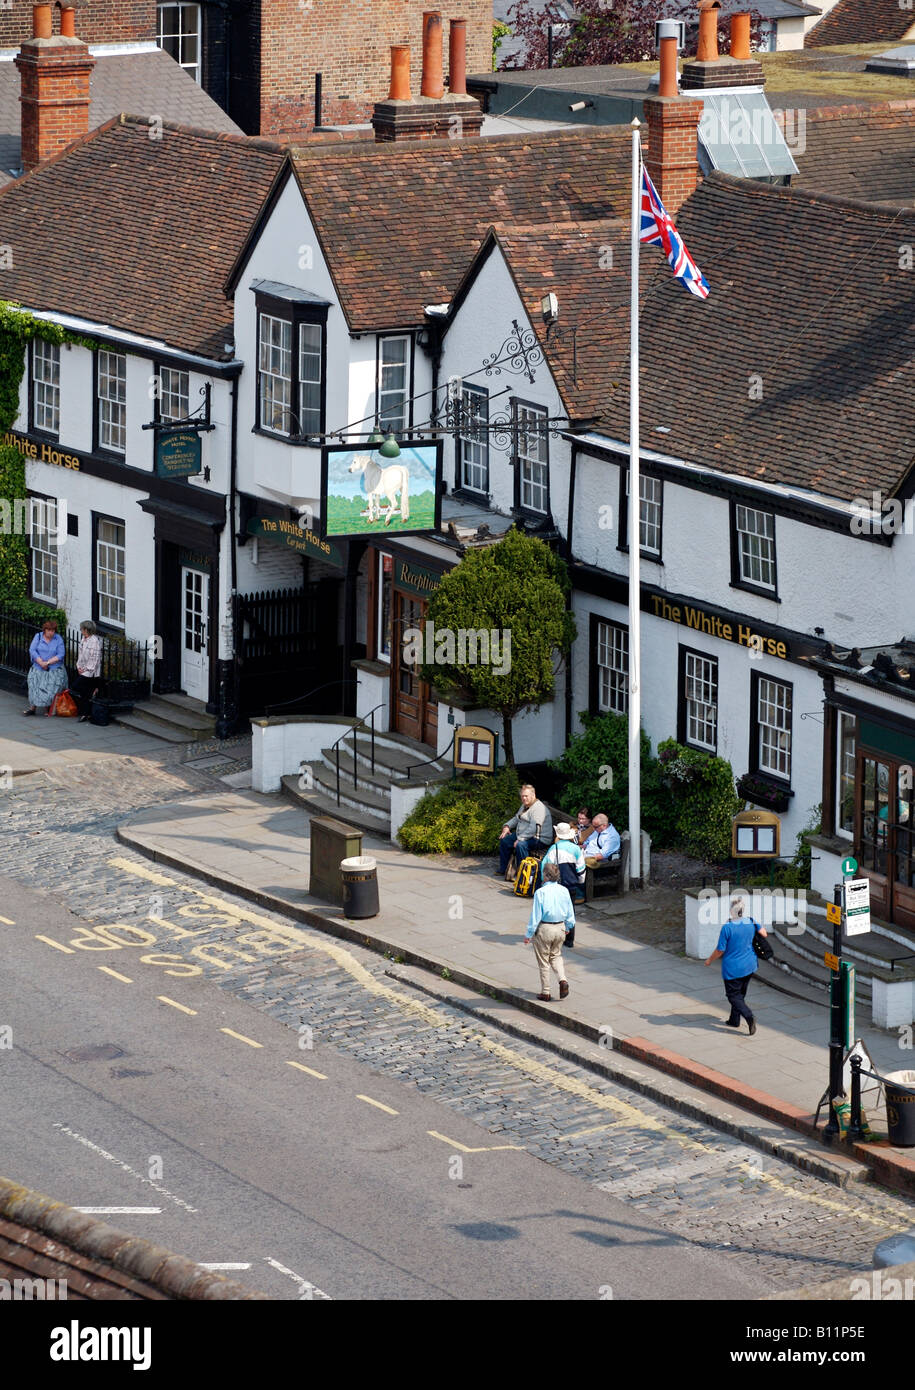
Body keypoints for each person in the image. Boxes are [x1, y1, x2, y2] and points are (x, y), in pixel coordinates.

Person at [704, 894, 767, 1035]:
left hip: (733, 968)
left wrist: (709, 960)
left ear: (731, 911)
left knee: (733, 996)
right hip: (750, 965)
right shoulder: (750, 921)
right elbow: (764, 933)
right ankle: (734, 1020)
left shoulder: (727, 927)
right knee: (740, 994)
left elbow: (720, 950)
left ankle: (749, 1016)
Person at [522, 862, 574, 1001]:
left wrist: (528, 934)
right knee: (556, 956)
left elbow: (536, 916)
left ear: (545, 876)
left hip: (545, 929)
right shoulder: (564, 890)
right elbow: (570, 912)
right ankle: (562, 980)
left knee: (543, 960)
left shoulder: (540, 892)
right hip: (560, 927)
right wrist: (568, 927)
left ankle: (546, 991)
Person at [497, 783, 553, 877]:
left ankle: (523, 874)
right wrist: (507, 826)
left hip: (539, 838)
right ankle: (503, 869)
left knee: (521, 845)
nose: (524, 798)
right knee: (505, 841)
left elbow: (533, 828)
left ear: (533, 795)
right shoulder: (524, 805)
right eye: (522, 796)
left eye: (526, 796)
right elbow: (516, 818)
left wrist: (520, 839)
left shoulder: (538, 808)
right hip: (525, 834)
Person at [24, 618, 67, 716]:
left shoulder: (58, 638)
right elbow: (32, 650)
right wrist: (40, 662)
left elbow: (61, 654)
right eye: (49, 630)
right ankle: (32, 708)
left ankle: (48, 709)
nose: (51, 633)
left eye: (53, 630)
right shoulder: (38, 636)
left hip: (53, 668)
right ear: (45, 630)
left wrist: (47, 663)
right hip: (38, 667)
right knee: (34, 687)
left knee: (49, 689)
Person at [539, 823, 587, 902]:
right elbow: (581, 869)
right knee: (570, 908)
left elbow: (547, 867)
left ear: (558, 835)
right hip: (572, 885)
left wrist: (544, 882)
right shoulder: (576, 849)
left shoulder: (554, 848)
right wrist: (580, 882)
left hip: (557, 885)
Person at [71, 619, 103, 722]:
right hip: (83, 670)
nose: (81, 631)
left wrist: (84, 669)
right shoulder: (84, 639)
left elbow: (94, 659)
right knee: (85, 693)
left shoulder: (94, 641)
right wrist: (78, 666)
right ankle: (85, 713)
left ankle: (91, 694)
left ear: (86, 629)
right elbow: (80, 655)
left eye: (82, 629)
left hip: (91, 672)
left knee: (75, 686)